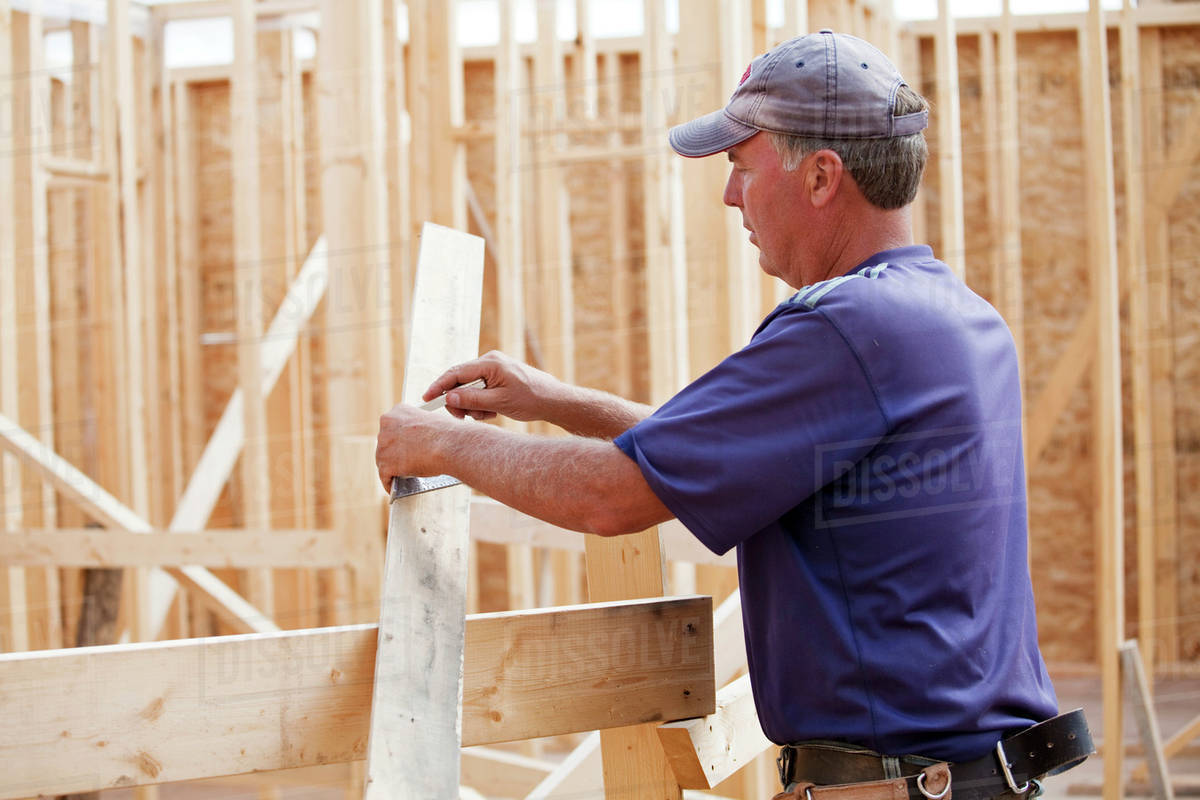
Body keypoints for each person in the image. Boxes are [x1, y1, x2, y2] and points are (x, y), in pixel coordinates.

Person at [377, 29, 1090, 800]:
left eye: (742, 168)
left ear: (821, 177)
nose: (728, 195)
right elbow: (729, 458)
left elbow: (611, 497)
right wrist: (554, 401)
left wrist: (439, 444)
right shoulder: (955, 318)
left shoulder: (844, 329)